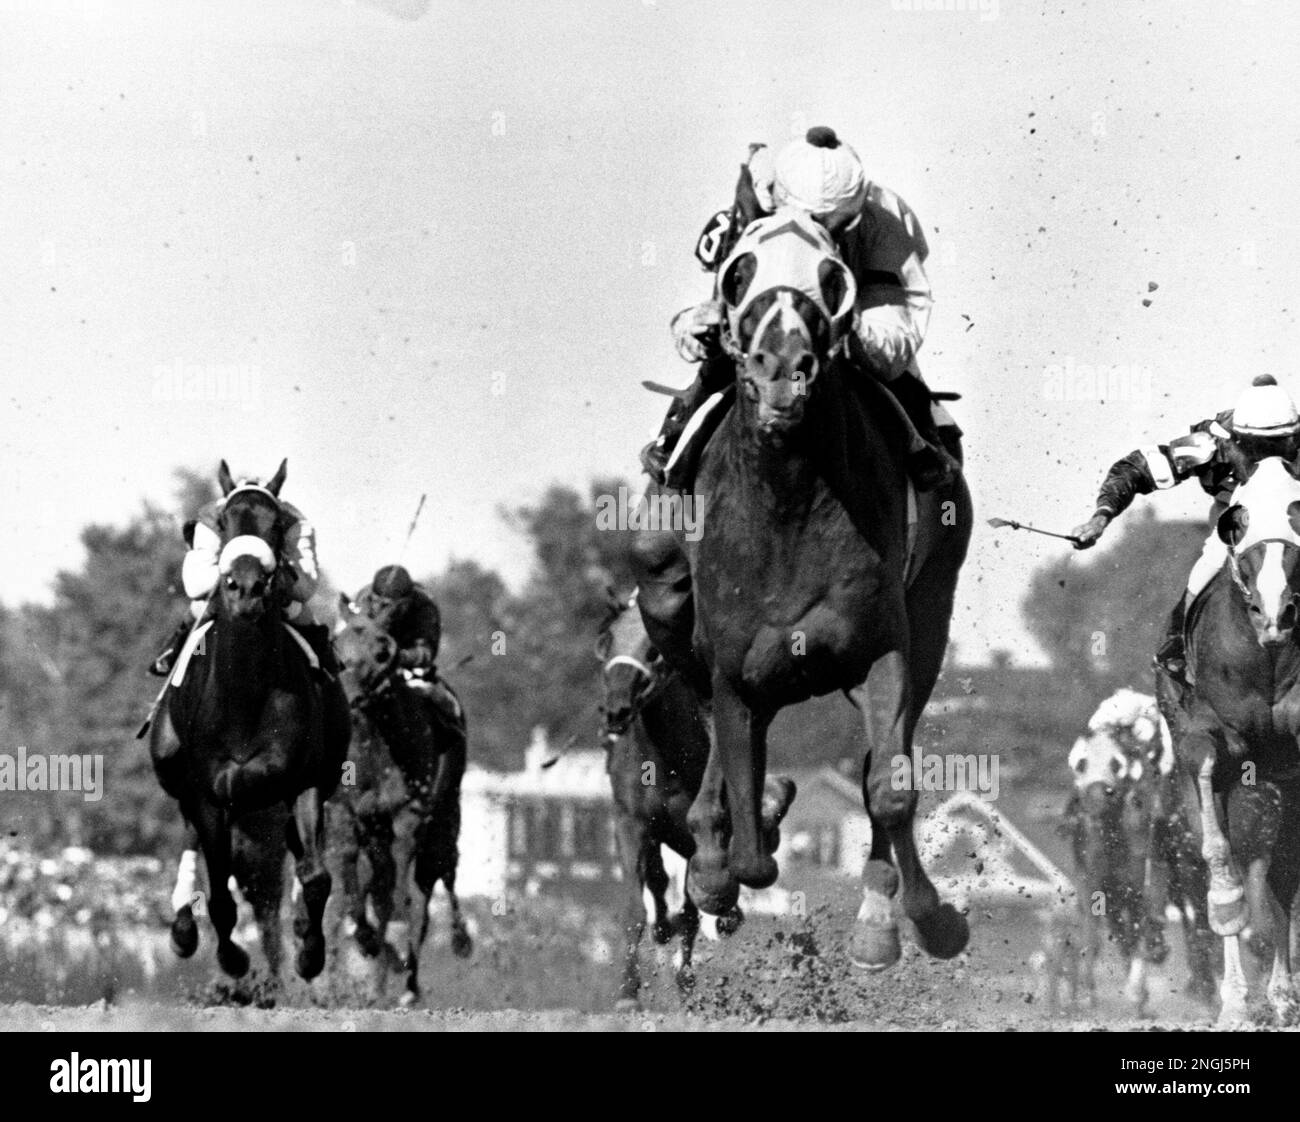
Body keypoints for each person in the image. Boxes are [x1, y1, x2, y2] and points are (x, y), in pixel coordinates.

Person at [641, 125, 962, 491]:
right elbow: (719, 299)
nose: (816, 234)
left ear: (853, 215)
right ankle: (673, 440)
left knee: (899, 380)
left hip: (855, 327)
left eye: (831, 226)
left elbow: (892, 342)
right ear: (782, 202)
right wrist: (696, 327)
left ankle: (926, 450)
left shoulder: (884, 226)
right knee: (721, 361)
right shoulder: (753, 212)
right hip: (772, 334)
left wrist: (846, 326)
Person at [1069, 374, 1300, 680]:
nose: (1271, 459)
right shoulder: (1210, 444)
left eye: (1281, 447)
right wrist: (1101, 517)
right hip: (1238, 517)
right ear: (1237, 441)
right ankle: (1177, 646)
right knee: (1210, 563)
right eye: (1261, 449)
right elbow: (1136, 469)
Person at [149, 477, 335, 676]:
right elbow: (195, 586)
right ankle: (176, 654)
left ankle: (325, 662)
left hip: (272, 586)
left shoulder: (294, 522)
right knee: (201, 609)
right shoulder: (212, 518)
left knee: (295, 607)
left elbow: (305, 589)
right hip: (227, 585)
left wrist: (279, 577)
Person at [354, 564, 460, 722]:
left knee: (443, 702)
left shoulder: (424, 608)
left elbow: (426, 652)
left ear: (403, 604)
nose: (377, 608)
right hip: (367, 665)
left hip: (407, 669)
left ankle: (451, 735)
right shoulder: (363, 599)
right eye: (375, 601)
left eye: (385, 605)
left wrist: (399, 656)